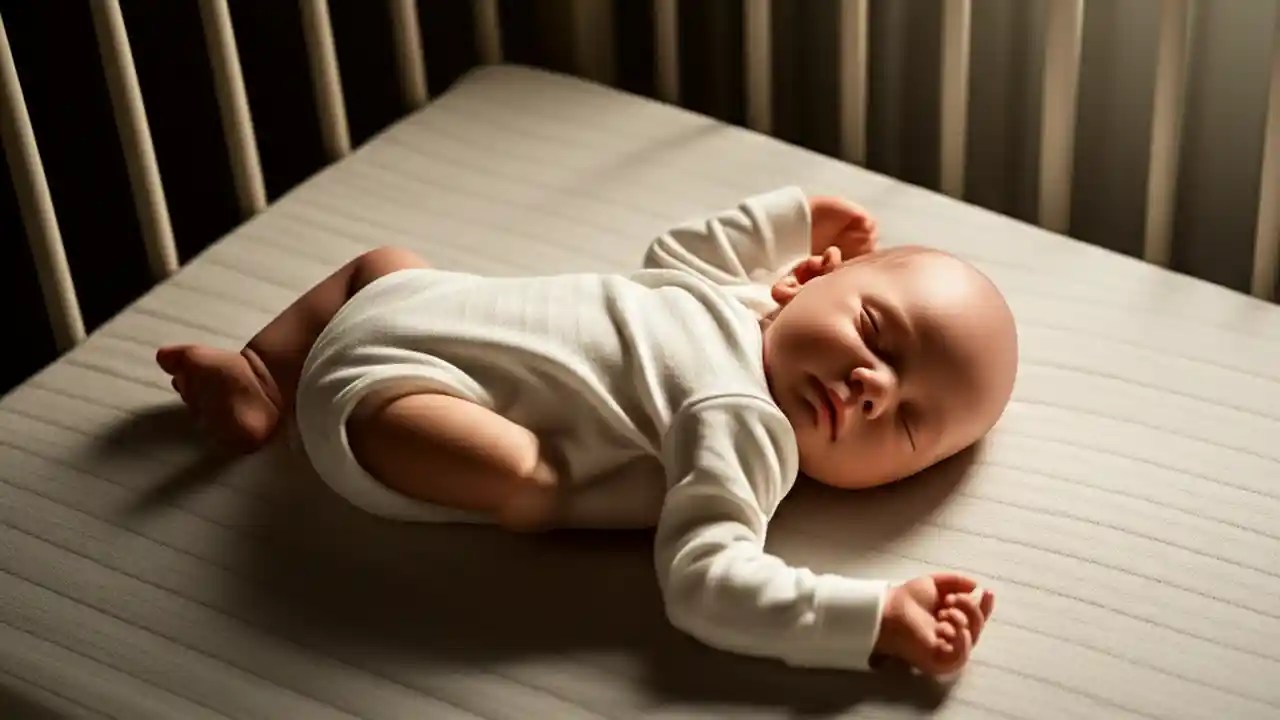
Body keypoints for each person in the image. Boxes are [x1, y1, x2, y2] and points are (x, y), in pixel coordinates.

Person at [157, 187, 1017, 675]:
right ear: (802, 281)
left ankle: (306, 388)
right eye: (874, 332)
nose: (871, 388)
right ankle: (261, 373)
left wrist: (871, 617)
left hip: (396, 404)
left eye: (907, 423)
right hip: (414, 309)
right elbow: (677, 245)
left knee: (516, 467)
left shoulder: (745, 433)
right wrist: (791, 216)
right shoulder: (734, 296)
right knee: (384, 266)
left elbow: (709, 580)